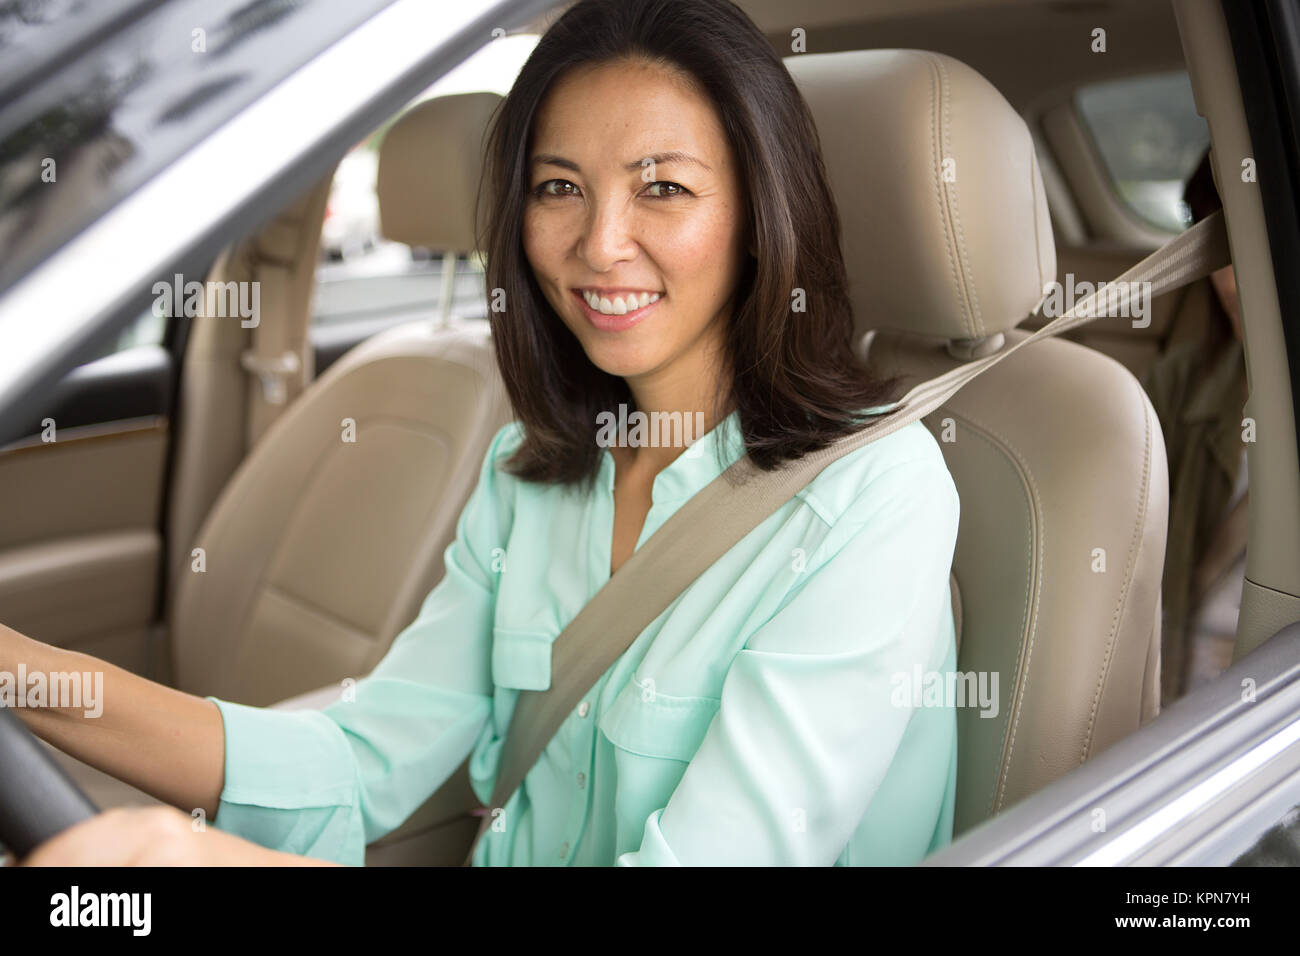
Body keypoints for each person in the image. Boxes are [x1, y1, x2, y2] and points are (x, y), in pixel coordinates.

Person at [7, 0, 961, 866]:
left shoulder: (872, 496)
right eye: (559, 188)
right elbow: (358, 762)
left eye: (662, 188)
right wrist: (24, 675)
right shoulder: (534, 475)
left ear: (762, 212)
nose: (598, 244)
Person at [1139, 148, 1248, 701]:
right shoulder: (1178, 384)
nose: (1229, 283)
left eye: (1248, 241)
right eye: (1215, 248)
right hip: (1183, 705)